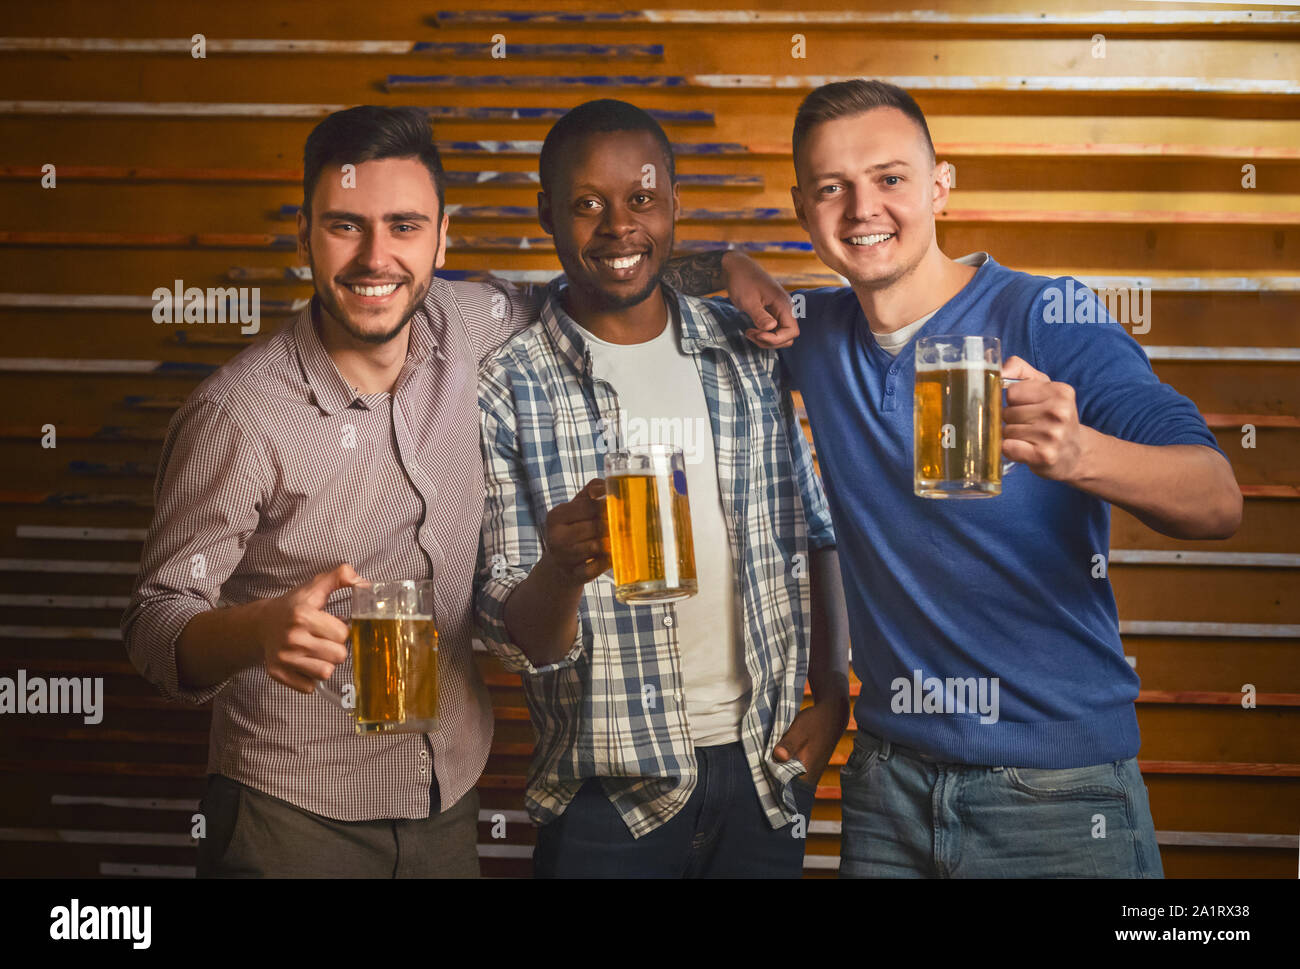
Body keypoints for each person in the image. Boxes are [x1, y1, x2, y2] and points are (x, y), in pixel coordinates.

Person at [121, 105, 799, 878]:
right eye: (345, 226)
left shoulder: (471, 322)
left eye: (404, 226)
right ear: (304, 232)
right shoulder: (239, 412)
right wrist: (256, 632)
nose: (377, 257)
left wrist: (725, 265)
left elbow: (603, 268)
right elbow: (153, 622)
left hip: (446, 802)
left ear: (443, 237)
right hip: (290, 814)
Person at [778, 79, 1242, 878]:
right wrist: (728, 263)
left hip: (1057, 794)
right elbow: (639, 283)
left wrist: (1079, 453)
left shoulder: (1046, 314)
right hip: (888, 785)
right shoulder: (812, 332)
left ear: (939, 185)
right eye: (833, 188)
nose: (863, 208)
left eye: (889, 178)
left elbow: (1217, 498)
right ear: (804, 206)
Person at [475, 99, 850, 878]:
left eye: (641, 198)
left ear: (674, 204)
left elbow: (817, 529)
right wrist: (561, 570)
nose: (618, 226)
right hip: (608, 800)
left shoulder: (745, 350)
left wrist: (834, 693)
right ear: (546, 212)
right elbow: (524, 641)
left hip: (765, 771)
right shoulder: (508, 386)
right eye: (587, 204)